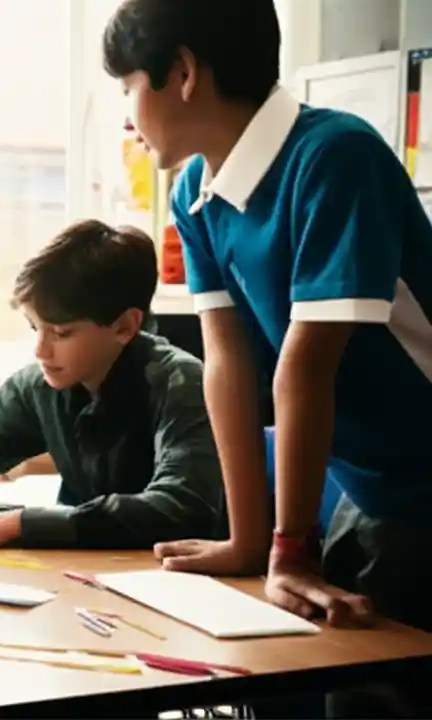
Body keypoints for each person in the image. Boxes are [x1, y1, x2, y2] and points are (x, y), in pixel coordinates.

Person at [104, 0, 432, 715]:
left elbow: (305, 366)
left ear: (183, 73)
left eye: (128, 87)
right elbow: (227, 364)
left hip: (421, 480)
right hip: (367, 486)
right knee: (306, 673)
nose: (126, 116)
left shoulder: (335, 156)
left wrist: (290, 550)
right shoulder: (195, 194)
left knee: (368, 687)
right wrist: (249, 542)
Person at [0, 220, 225, 552]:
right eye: (34, 328)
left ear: (124, 326)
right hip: (89, 568)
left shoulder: (183, 384)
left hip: (177, 575)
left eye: (61, 333)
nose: (40, 350)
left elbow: (180, 508)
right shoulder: (40, 384)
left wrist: (15, 524)